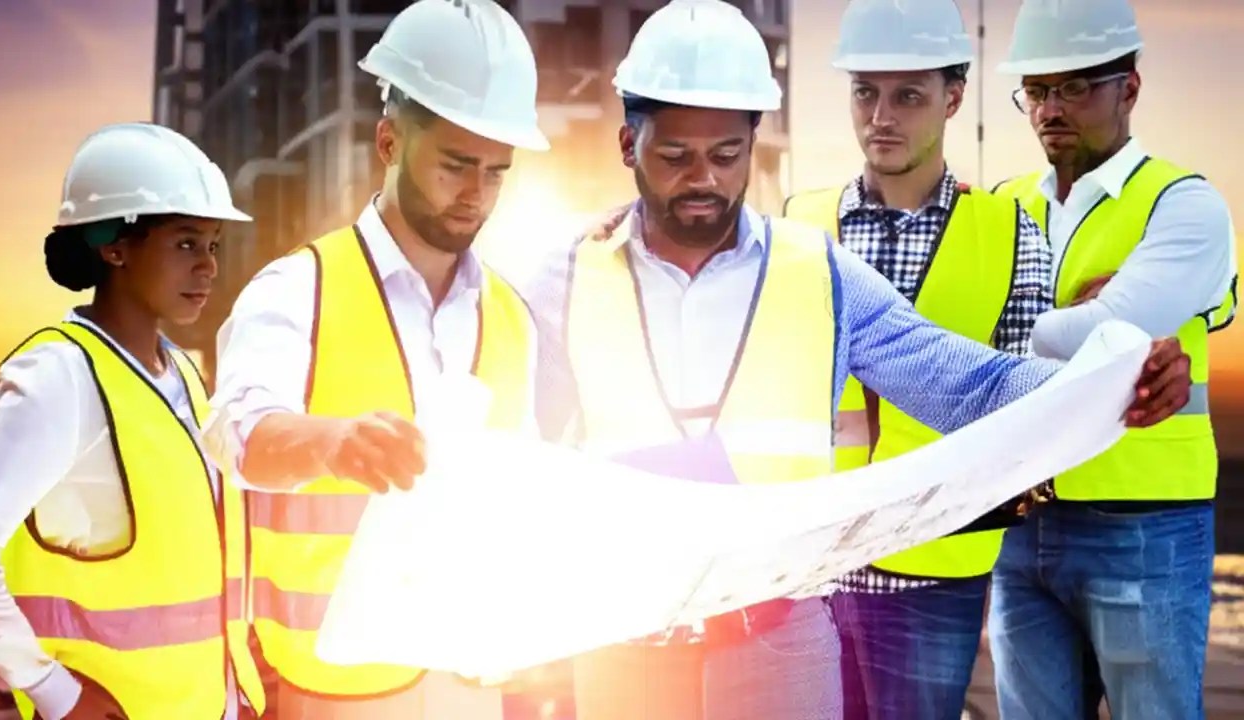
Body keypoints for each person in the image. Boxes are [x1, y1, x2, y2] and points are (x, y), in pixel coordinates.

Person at [518, 1, 1193, 719]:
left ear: (754, 142)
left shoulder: (818, 272)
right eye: (675, 157)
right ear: (628, 144)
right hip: (626, 641)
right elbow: (505, 443)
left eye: (725, 156)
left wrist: (1119, 379)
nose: (703, 181)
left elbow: (969, 383)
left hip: (778, 638)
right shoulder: (564, 279)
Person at [199, 1, 547, 718]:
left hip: (470, 689)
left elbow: (519, 497)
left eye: (495, 171)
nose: (475, 194)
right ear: (388, 141)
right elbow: (238, 435)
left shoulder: (513, 318)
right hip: (327, 689)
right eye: (455, 164)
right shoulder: (299, 288)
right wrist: (332, 442)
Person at [783, 1, 1052, 716]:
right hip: (810, 568)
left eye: (908, 95)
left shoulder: (1009, 231)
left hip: (934, 575)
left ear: (954, 97)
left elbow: (1027, 402)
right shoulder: (797, 225)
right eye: (865, 92)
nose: (881, 115)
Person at [0, 122, 265, 720]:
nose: (207, 267)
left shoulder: (182, 372)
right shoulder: (58, 375)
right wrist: (54, 691)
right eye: (185, 244)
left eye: (212, 245)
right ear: (114, 246)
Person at [987, 0, 1238, 717]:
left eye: (1073, 87)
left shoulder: (1183, 204)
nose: (1049, 108)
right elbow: (952, 328)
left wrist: (1072, 324)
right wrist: (1081, 323)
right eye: (1036, 91)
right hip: (1022, 519)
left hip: (1143, 524)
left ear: (1128, 87)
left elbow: (1106, 327)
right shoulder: (1002, 207)